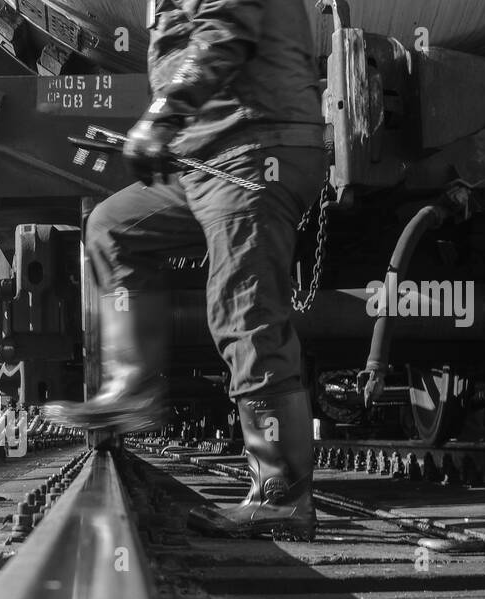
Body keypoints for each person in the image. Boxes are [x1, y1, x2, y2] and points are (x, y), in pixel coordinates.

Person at [43, 0, 329, 541]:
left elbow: (225, 31)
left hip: (254, 144)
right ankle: (131, 387)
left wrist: (164, 115)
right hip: (209, 154)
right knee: (113, 226)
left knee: (244, 308)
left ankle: (282, 494)